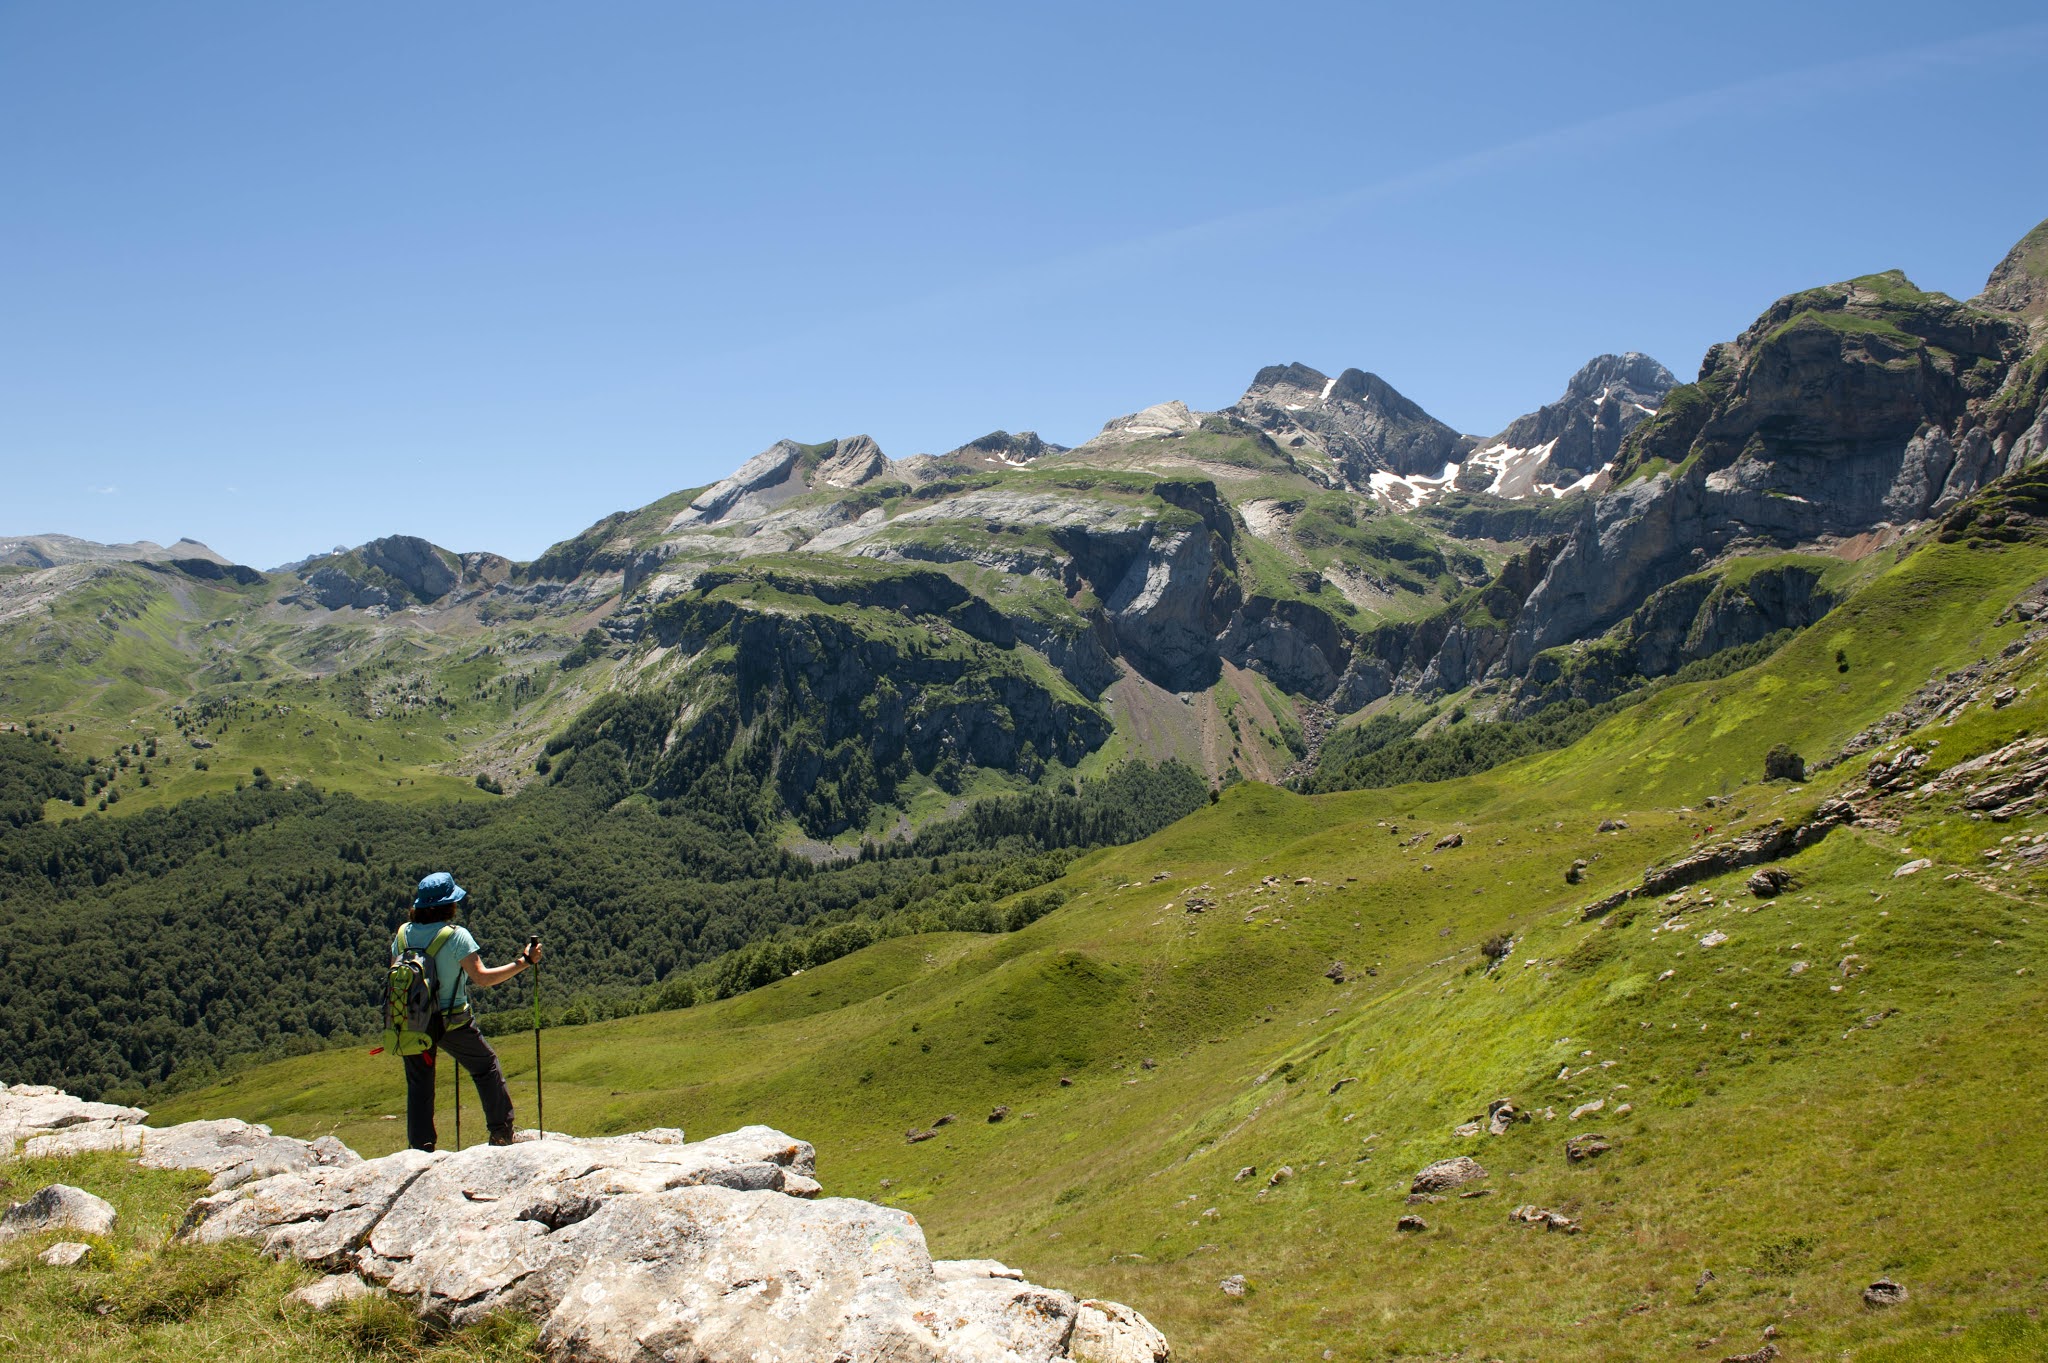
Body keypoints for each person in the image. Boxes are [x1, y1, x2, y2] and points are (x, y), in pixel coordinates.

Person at [396, 871, 541, 1151]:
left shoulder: (403, 934)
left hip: (412, 1021)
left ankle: (421, 1148)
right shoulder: (456, 936)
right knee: (485, 1067)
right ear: (449, 904)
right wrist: (525, 961)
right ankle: (500, 1134)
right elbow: (483, 978)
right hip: (452, 1021)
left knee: (419, 1085)